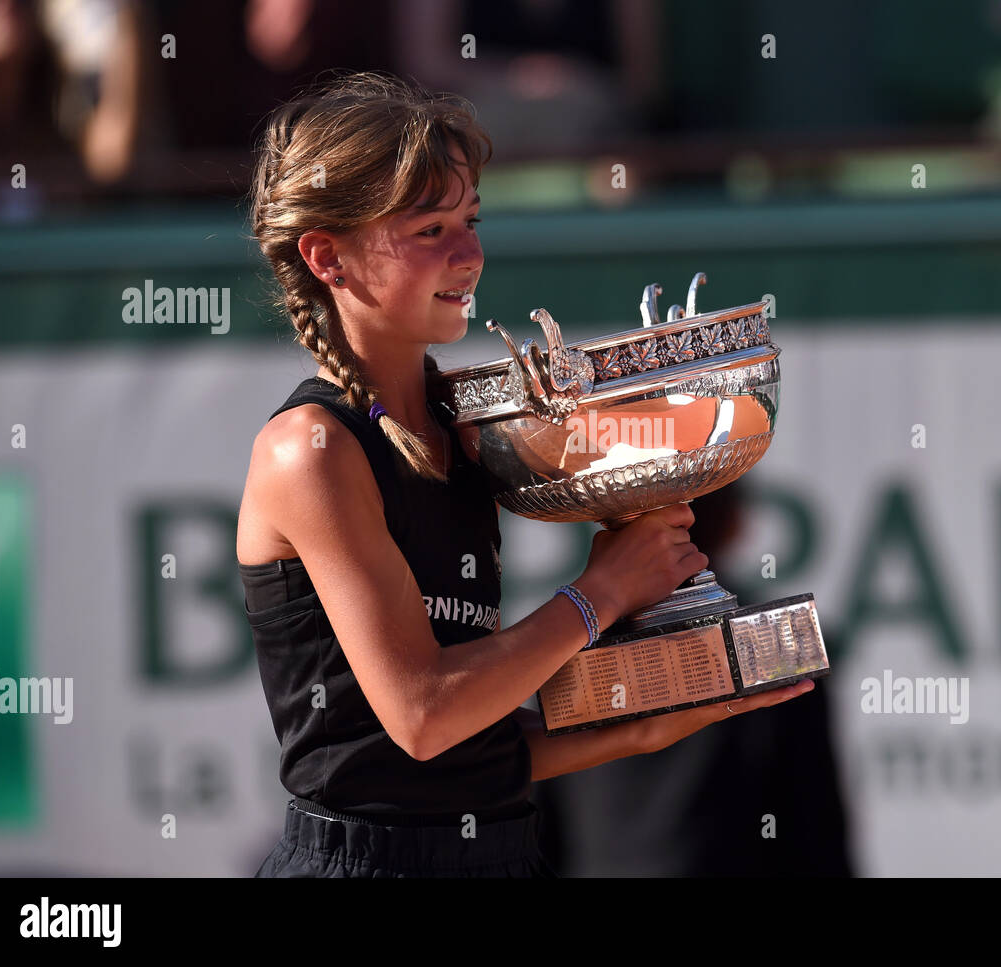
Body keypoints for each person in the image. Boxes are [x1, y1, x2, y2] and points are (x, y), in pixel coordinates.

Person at [236, 72, 813, 878]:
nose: (468, 253)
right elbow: (425, 715)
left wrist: (657, 716)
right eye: (429, 228)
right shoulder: (310, 450)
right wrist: (601, 593)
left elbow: (477, 750)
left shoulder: (467, 434)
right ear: (327, 256)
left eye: (470, 221)